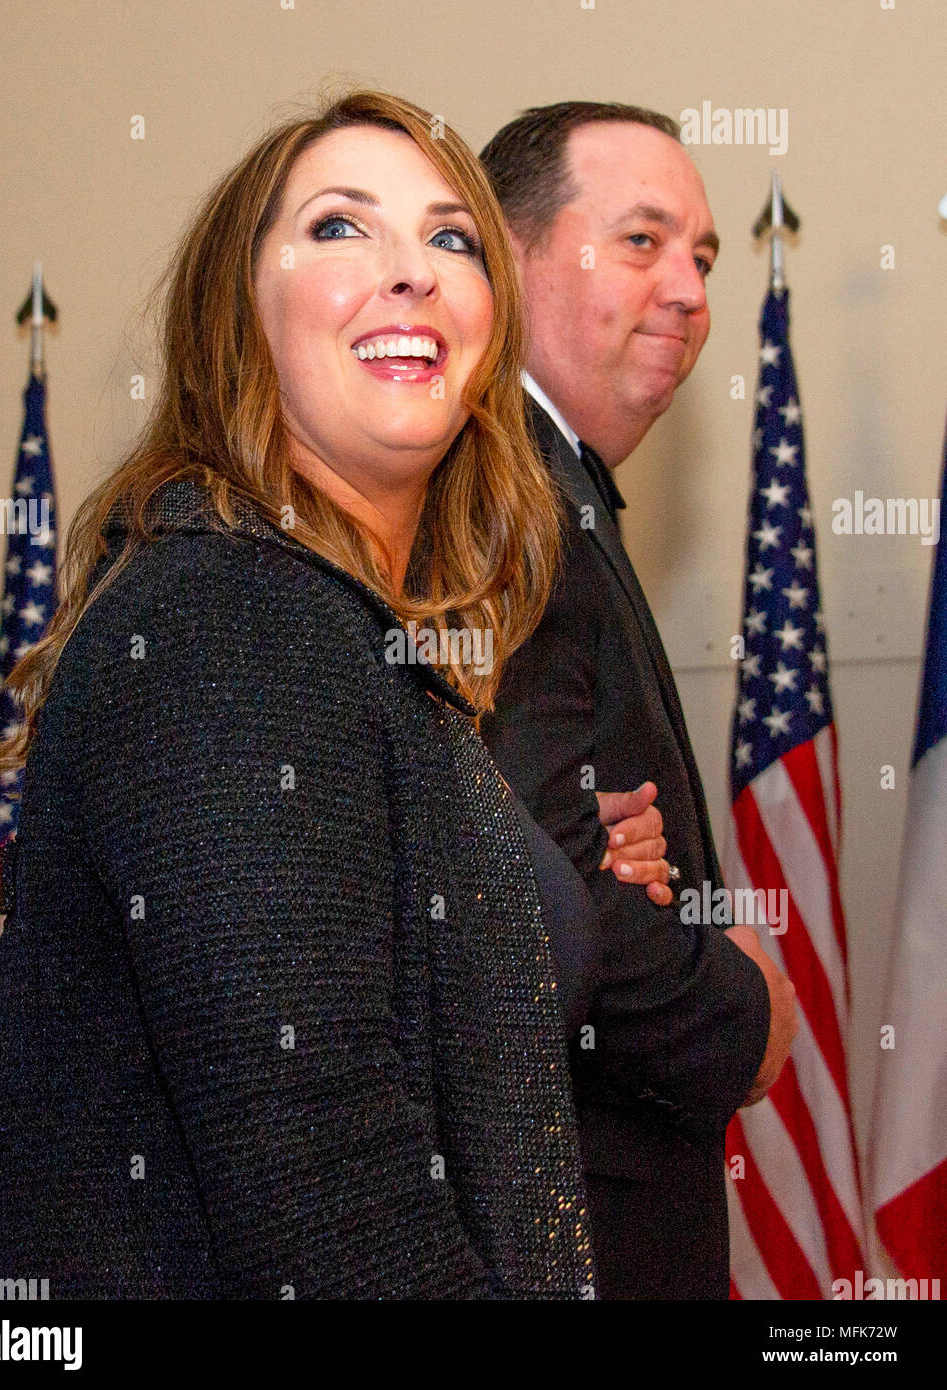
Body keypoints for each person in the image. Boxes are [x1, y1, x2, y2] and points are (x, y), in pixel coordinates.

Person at [0, 90, 658, 1300]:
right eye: (339, 228)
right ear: (240, 313)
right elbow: (327, 1198)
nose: (411, 274)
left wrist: (542, 870)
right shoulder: (228, 614)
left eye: (450, 239)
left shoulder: (346, 634)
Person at [479, 102, 799, 1299]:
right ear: (507, 261)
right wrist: (746, 1015)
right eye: (641, 241)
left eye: (703, 258)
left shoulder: (560, 486)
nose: (688, 290)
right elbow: (549, 909)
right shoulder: (496, 495)